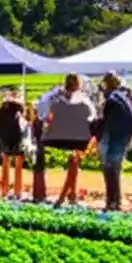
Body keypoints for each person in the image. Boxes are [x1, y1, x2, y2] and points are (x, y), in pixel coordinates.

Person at [40, 74, 95, 206]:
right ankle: (64, 197)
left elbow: (46, 114)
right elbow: (92, 116)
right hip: (77, 138)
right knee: (74, 165)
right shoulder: (83, 100)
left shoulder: (56, 98)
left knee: (74, 165)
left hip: (58, 138)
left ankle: (71, 195)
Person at [96, 72, 132, 212]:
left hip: (116, 135)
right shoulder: (123, 96)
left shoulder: (112, 99)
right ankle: (115, 201)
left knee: (109, 168)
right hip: (125, 133)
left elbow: (106, 121)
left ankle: (112, 202)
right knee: (114, 169)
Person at [0, 90, 27, 199]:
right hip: (17, 137)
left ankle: (4, 191)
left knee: (5, 164)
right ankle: (18, 192)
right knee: (18, 166)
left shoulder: (2, 111)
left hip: (5, 138)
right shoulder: (19, 109)